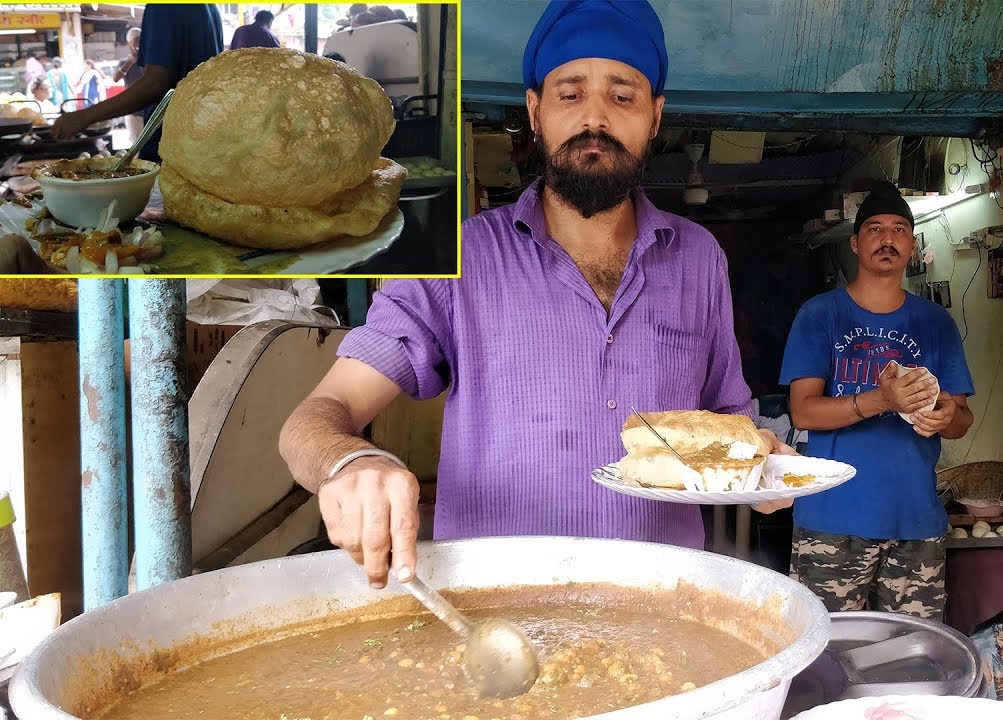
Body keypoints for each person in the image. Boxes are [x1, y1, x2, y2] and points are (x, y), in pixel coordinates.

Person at [279, 0, 792, 590]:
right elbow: (311, 422)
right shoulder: (461, 259)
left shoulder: (699, 257)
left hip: (663, 606)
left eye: (622, 96)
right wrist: (350, 462)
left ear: (655, 116)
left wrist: (765, 465)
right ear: (535, 111)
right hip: (499, 616)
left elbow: (728, 424)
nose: (594, 118)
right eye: (570, 94)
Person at [780, 180, 975, 620]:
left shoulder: (936, 323)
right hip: (832, 521)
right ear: (854, 242)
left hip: (916, 522)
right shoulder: (819, 315)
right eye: (874, 228)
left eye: (899, 229)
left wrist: (945, 416)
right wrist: (882, 399)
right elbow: (803, 410)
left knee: (913, 659)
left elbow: (962, 417)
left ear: (911, 243)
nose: (887, 239)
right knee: (827, 656)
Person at [51, 4, 223, 163]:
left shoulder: (163, 6)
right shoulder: (209, 7)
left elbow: (155, 83)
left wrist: (84, 116)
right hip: (202, 142)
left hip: (170, 145)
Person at [113, 28, 145, 142]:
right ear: (129, 44)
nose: (138, 45)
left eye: (141, 41)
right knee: (136, 145)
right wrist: (131, 61)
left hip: (149, 110)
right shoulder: (124, 63)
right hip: (133, 112)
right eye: (135, 42)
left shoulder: (148, 61)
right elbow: (116, 78)